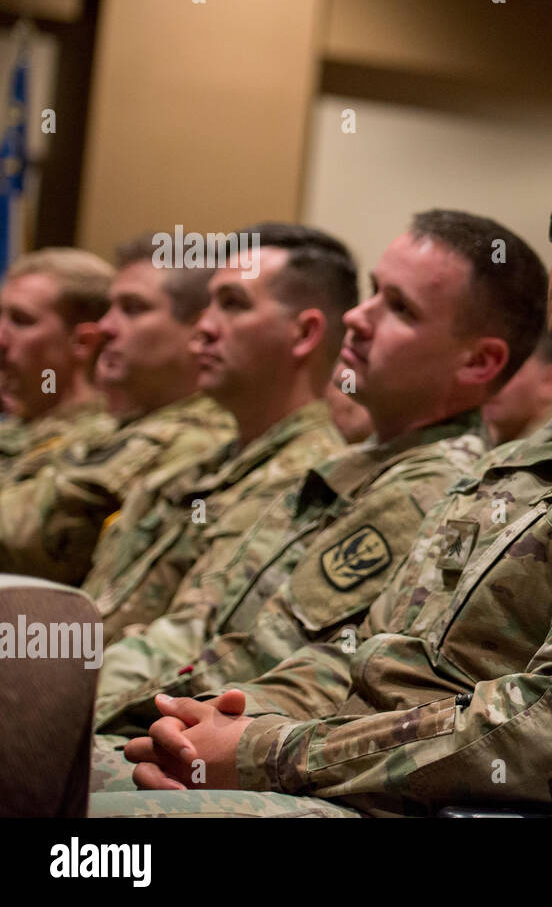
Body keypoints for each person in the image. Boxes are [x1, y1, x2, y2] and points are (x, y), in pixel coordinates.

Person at [97, 141, 552, 817]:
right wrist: (217, 726)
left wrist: (271, 750)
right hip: (329, 772)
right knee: (68, 766)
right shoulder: (517, 460)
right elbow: (362, 655)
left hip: (421, 802)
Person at [86, 211, 542, 772]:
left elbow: (264, 660)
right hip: (174, 718)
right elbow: (200, 625)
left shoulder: (432, 487)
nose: (356, 315)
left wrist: (79, 704)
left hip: (233, 743)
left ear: (478, 361)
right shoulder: (354, 466)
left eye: (399, 308)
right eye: (373, 292)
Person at [80, 224, 352, 644]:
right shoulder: (197, 472)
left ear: (304, 333)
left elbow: (186, 652)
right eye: (209, 304)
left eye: (233, 304)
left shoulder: (310, 483)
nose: (203, 328)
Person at [0, 232, 236, 584]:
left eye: (132, 309)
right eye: (111, 308)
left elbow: (25, 532)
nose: (106, 328)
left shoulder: (195, 439)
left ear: (200, 329)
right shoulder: (118, 427)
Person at [0, 248, 115, 481]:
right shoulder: (17, 429)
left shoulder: (100, 447)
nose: (1, 339)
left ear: (83, 342)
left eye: (21, 321)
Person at [481, 333, 552, 444]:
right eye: (484, 366)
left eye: (506, 371)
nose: (488, 380)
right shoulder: (475, 446)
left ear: (550, 381)